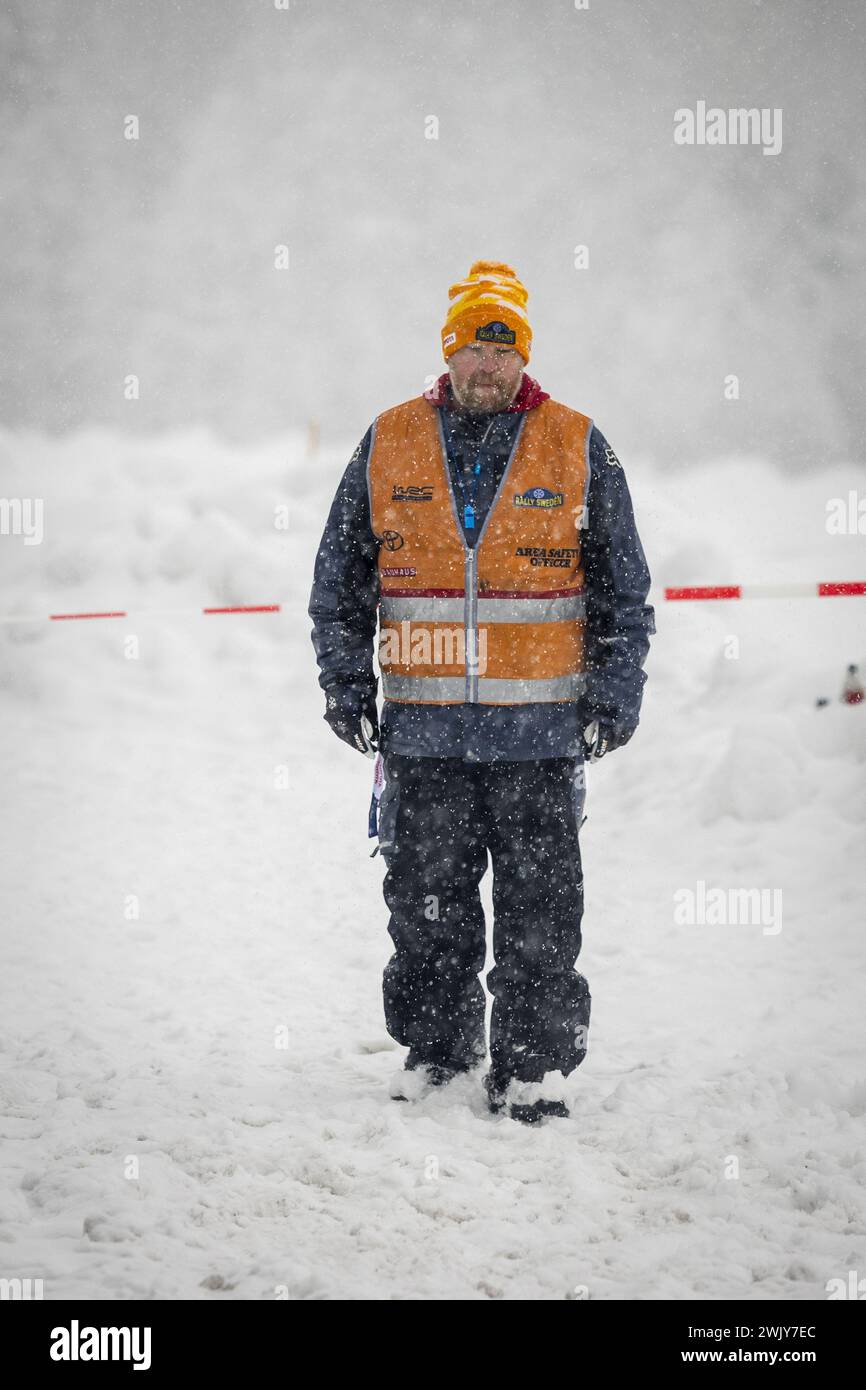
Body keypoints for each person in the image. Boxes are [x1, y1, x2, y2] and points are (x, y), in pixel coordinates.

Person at [309, 260, 655, 1124]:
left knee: (541, 915)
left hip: (539, 739)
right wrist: (346, 681)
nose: (489, 363)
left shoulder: (575, 443)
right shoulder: (389, 440)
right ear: (450, 350)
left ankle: (533, 1071)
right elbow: (341, 582)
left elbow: (623, 592)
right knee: (427, 912)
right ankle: (438, 1057)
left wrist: (614, 695)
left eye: (505, 347)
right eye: (475, 344)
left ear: (524, 357)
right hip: (423, 738)